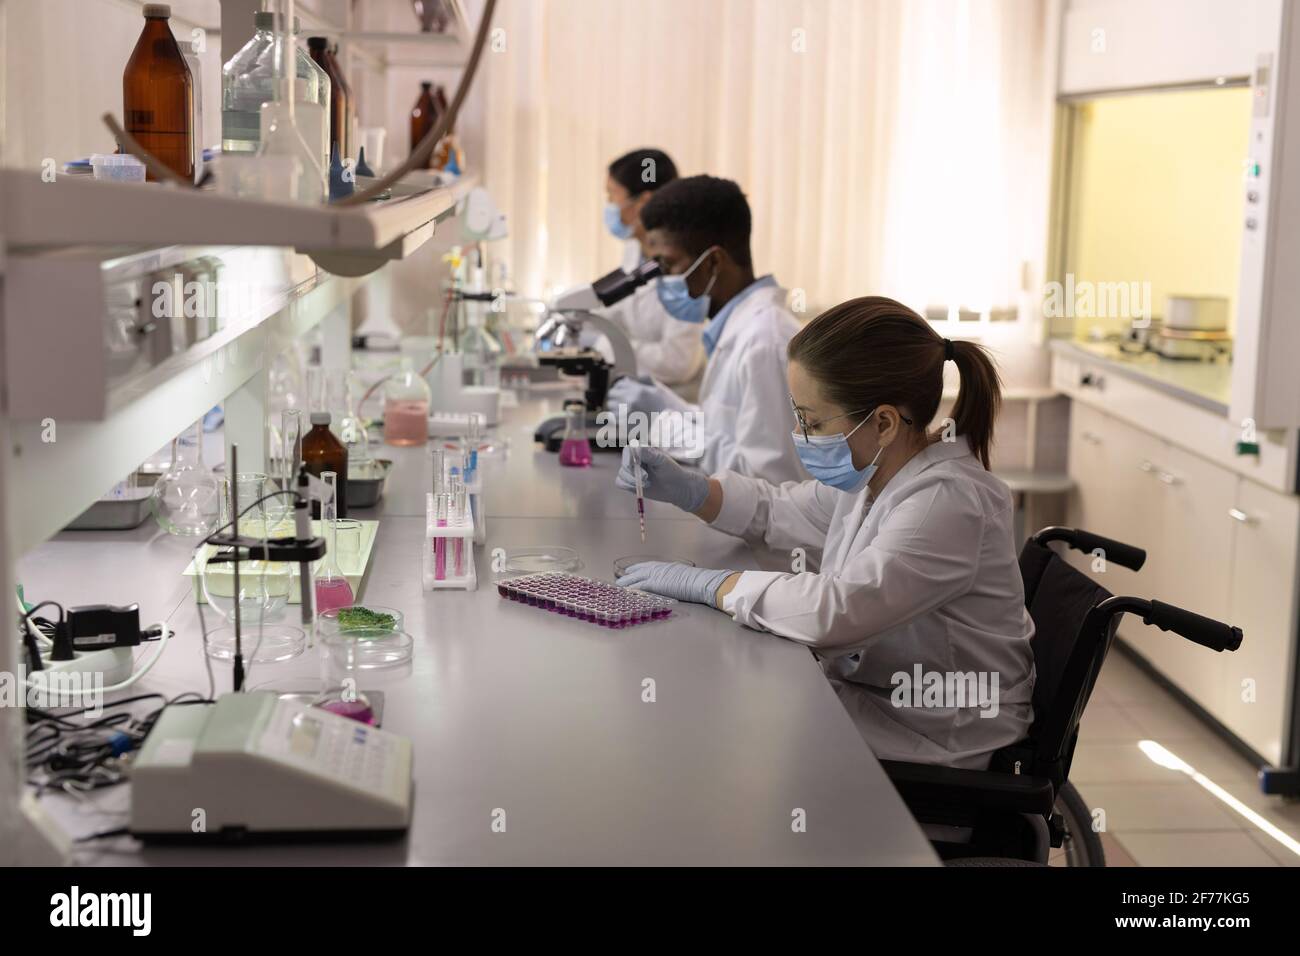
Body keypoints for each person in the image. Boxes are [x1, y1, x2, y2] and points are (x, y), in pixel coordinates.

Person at [614, 297, 1035, 770]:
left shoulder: (946, 502)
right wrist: (691, 490)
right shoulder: (879, 474)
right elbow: (777, 511)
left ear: (882, 422)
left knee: (726, 737)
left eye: (812, 421)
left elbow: (836, 611)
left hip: (939, 732)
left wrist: (709, 585)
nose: (799, 433)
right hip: (882, 698)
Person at [609, 175, 805, 483]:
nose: (662, 280)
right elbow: (727, 433)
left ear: (714, 262)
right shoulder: (734, 328)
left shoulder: (765, 342)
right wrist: (672, 407)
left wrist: (664, 423)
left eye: (668, 265)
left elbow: (771, 483)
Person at [601, 149, 705, 394]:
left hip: (679, 406)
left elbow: (678, 362)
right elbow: (618, 309)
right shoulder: (634, 251)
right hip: (638, 397)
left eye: (612, 196)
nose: (609, 207)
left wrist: (608, 345)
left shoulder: (686, 266)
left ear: (643, 202)